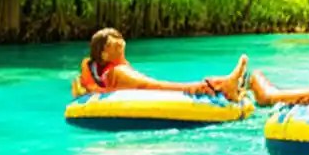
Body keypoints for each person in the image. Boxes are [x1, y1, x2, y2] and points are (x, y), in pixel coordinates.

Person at [76, 27, 248, 100]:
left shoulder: (112, 70)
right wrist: (195, 87)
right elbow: (148, 86)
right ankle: (221, 86)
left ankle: (224, 84)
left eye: (118, 39)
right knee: (156, 84)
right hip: (125, 87)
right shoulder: (117, 71)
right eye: (113, 43)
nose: (119, 42)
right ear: (104, 54)